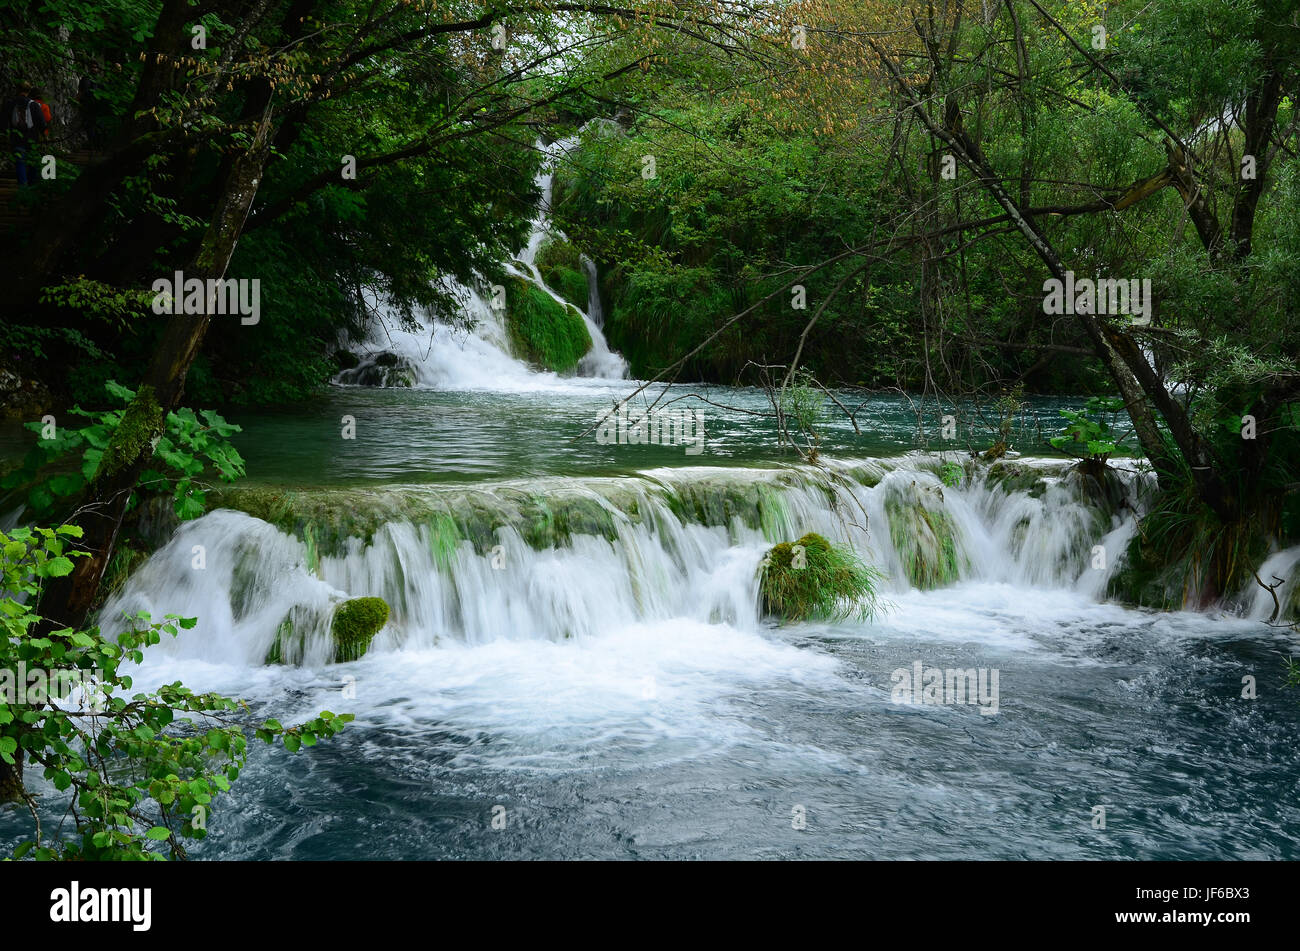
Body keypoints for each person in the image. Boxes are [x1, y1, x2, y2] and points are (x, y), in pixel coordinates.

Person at [5, 84, 47, 186]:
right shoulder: (34, 105)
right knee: (32, 162)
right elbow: (41, 123)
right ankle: (32, 186)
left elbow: (4, 121)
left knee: (20, 162)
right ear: (28, 92)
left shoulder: (10, 104)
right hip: (32, 138)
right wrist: (45, 136)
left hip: (16, 138)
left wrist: (5, 135)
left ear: (17, 90)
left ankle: (23, 188)